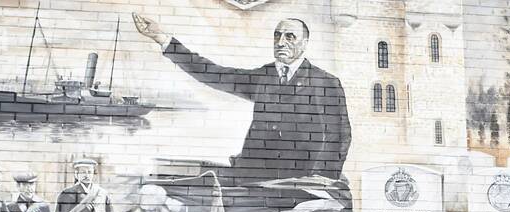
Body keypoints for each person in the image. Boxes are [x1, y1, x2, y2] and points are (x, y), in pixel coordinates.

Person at [134, 14, 351, 182]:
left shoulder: (326, 82)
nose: (281, 42)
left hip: (300, 186)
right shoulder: (263, 76)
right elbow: (212, 73)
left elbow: (339, 137)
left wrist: (322, 182)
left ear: (304, 44)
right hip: (254, 179)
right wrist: (162, 39)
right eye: (277, 35)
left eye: (290, 36)